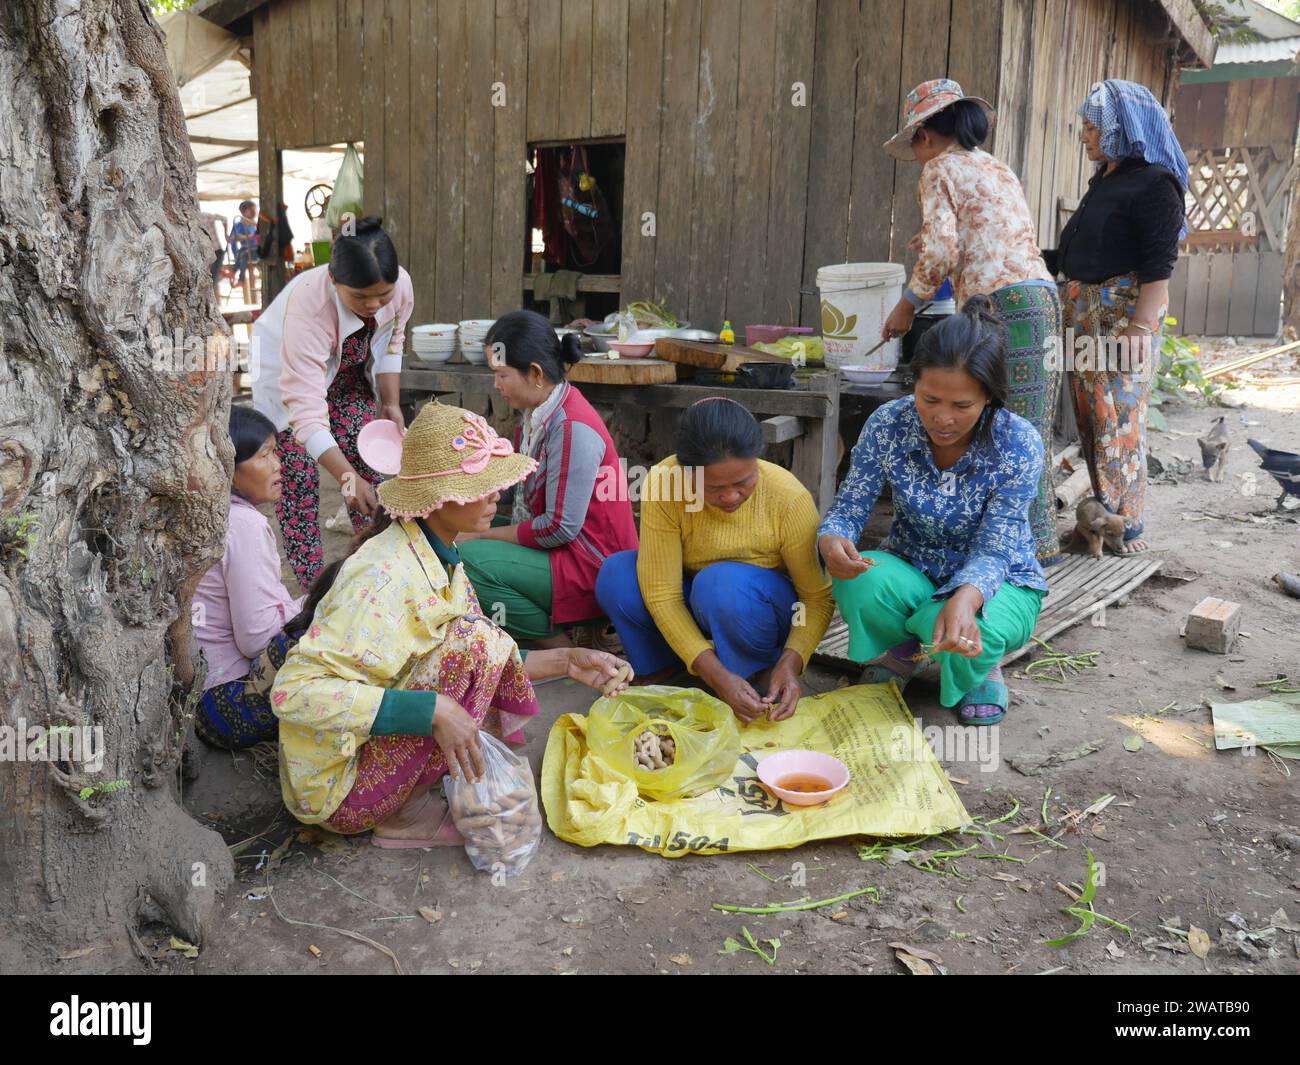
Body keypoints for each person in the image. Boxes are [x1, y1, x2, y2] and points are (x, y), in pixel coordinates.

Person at [272, 402, 633, 847]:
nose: (495, 496)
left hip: (366, 753)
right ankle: (402, 814)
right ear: (438, 499)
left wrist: (568, 660)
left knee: (478, 639)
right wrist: (433, 711)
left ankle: (414, 789)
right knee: (474, 641)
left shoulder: (438, 556)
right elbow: (294, 693)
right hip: (337, 790)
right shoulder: (382, 574)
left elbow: (483, 650)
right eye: (480, 487)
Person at [819, 297, 1047, 726]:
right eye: (930, 399)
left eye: (962, 406)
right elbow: (851, 504)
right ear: (914, 384)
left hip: (1001, 585)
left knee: (979, 626)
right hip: (913, 571)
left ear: (989, 398)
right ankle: (910, 649)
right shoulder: (889, 423)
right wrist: (832, 537)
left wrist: (967, 597)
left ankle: (979, 665)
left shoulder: (1018, 442)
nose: (942, 418)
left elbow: (997, 547)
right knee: (859, 582)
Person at [880, 79, 1062, 564]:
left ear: (924, 135)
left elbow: (945, 250)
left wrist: (906, 306)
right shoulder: (995, 167)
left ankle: (1006, 553)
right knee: (1030, 428)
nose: (917, 154)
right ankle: (1039, 545)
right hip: (1041, 298)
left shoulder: (938, 167)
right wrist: (932, 243)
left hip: (999, 305)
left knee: (996, 427)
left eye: (915, 144)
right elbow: (985, 233)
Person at [596, 398, 834, 724]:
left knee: (719, 584)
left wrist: (792, 662)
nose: (731, 496)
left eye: (743, 482)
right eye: (714, 487)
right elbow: (662, 594)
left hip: (764, 610)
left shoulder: (787, 497)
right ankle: (669, 675)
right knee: (618, 575)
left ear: (757, 461)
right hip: (700, 600)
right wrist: (715, 676)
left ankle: (760, 675)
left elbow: (816, 598)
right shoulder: (666, 484)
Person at [1046, 79, 1188, 555]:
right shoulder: (1106, 176)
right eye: (1084, 127)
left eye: (1092, 128)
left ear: (1122, 130)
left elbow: (1159, 263)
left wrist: (1141, 327)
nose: (1084, 136)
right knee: (1090, 419)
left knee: (1119, 420)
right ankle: (1101, 521)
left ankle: (1127, 526)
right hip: (1086, 313)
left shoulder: (1155, 183)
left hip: (1122, 315)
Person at [456, 310, 638, 647]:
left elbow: (559, 528)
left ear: (536, 374)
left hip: (590, 563)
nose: (496, 385)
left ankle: (561, 647)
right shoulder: (537, 415)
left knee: (470, 559)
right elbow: (517, 487)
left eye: (502, 375)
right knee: (454, 521)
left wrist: (481, 538)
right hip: (565, 549)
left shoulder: (571, 428)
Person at [251, 215, 413, 590]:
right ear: (333, 281)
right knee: (297, 477)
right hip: (287, 378)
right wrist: (344, 477)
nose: (374, 304)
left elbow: (393, 342)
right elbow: (305, 411)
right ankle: (314, 589)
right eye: (360, 297)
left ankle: (372, 569)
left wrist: (390, 402)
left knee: (366, 456)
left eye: (383, 296)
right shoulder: (309, 308)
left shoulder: (400, 285)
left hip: (346, 373)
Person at [192, 407, 304, 749]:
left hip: (208, 694)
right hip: (231, 702)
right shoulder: (243, 525)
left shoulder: (212, 514)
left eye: (275, 452)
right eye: (264, 454)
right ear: (228, 464)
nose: (277, 464)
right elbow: (257, 639)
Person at [229, 200, 259, 288]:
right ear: (244, 212)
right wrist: (235, 255)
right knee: (243, 254)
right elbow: (233, 240)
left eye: (255, 210)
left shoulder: (256, 223)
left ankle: (235, 273)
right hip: (247, 252)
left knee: (243, 252)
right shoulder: (239, 225)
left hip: (256, 251)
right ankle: (240, 279)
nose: (254, 212)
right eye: (251, 210)